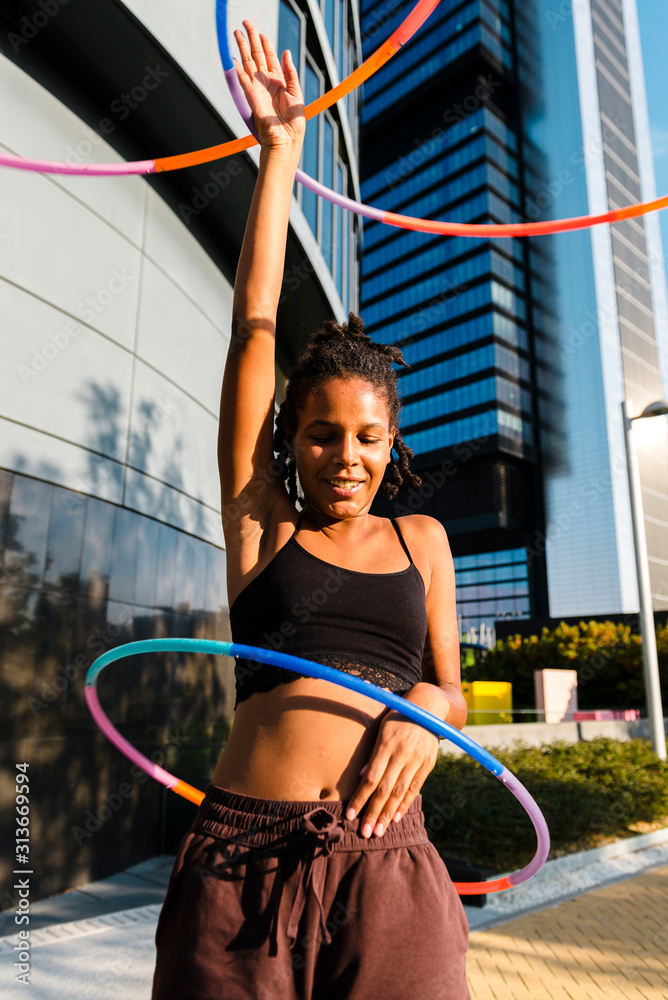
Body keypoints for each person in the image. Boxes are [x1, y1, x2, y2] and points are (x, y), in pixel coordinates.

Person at [151, 20, 470, 1000]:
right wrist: (279, 151)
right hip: (241, 858)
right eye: (322, 434)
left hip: (386, 854)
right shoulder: (262, 523)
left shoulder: (422, 541)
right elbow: (254, 321)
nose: (344, 455)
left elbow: (451, 690)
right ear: (289, 441)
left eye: (366, 437)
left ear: (391, 444)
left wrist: (429, 710)